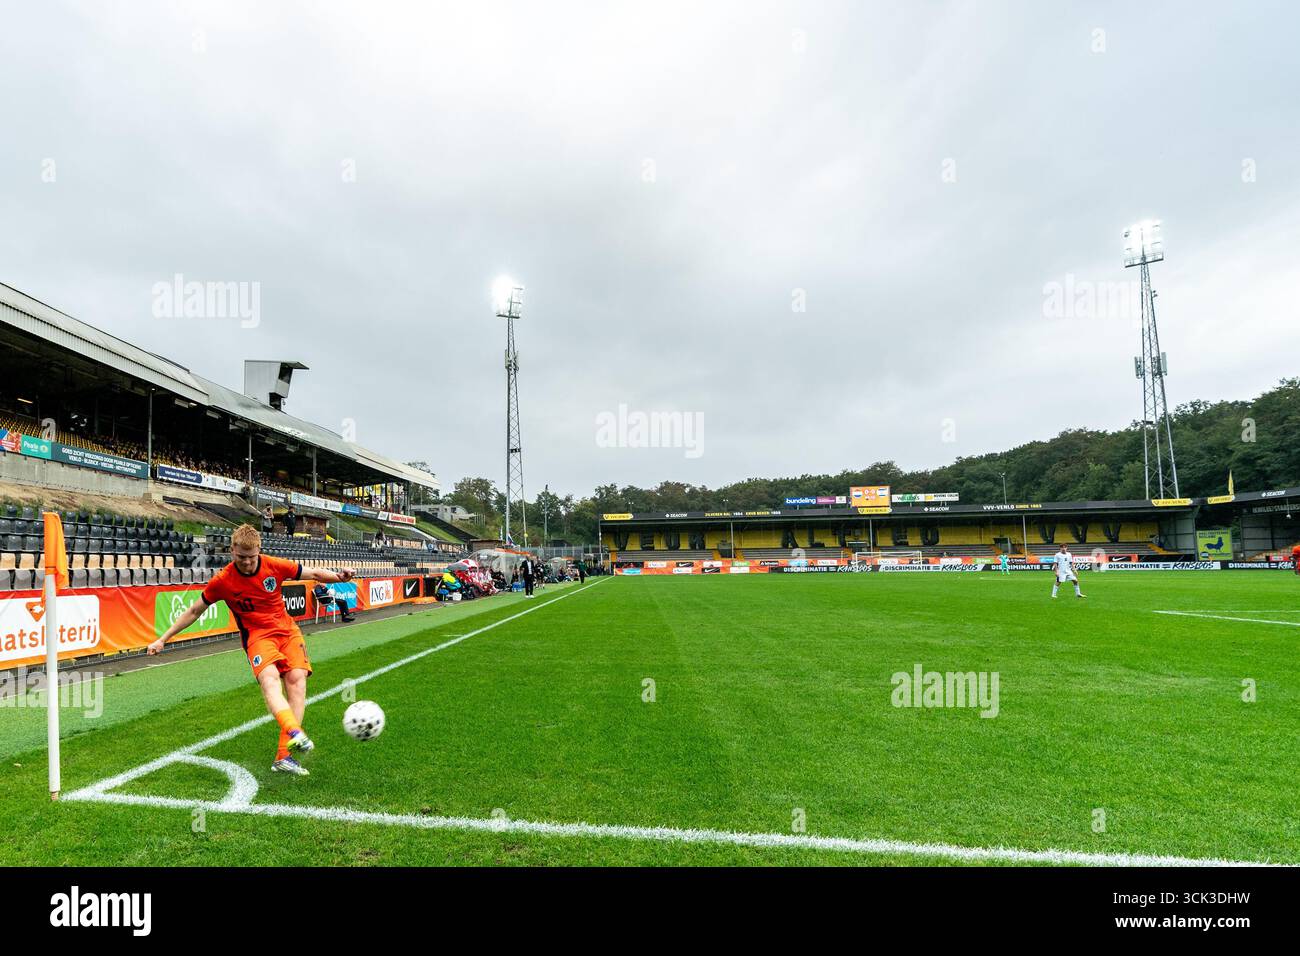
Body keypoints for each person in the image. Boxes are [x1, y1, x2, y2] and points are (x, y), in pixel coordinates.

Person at [147, 524, 355, 776]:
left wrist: (340, 577)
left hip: (287, 631)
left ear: (259, 550)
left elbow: (313, 573)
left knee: (297, 680)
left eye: (251, 557)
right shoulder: (223, 581)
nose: (246, 562)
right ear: (232, 550)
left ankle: (283, 757)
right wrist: (163, 639)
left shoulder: (273, 565)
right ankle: (294, 731)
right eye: (240, 557)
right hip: (257, 636)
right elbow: (194, 611)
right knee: (269, 680)